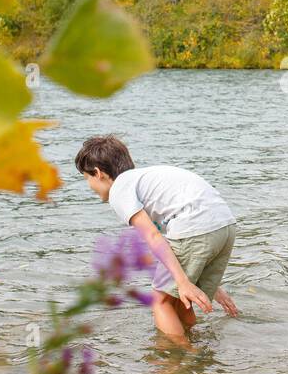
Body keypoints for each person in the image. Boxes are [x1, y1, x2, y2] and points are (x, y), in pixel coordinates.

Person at [76, 135, 238, 344]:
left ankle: (182, 357)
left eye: (86, 178)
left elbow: (153, 236)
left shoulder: (119, 190)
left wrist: (183, 282)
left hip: (194, 228)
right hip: (225, 225)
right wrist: (207, 283)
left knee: (160, 301)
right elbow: (191, 237)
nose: (89, 185)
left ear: (98, 173)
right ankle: (193, 347)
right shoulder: (144, 178)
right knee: (179, 301)